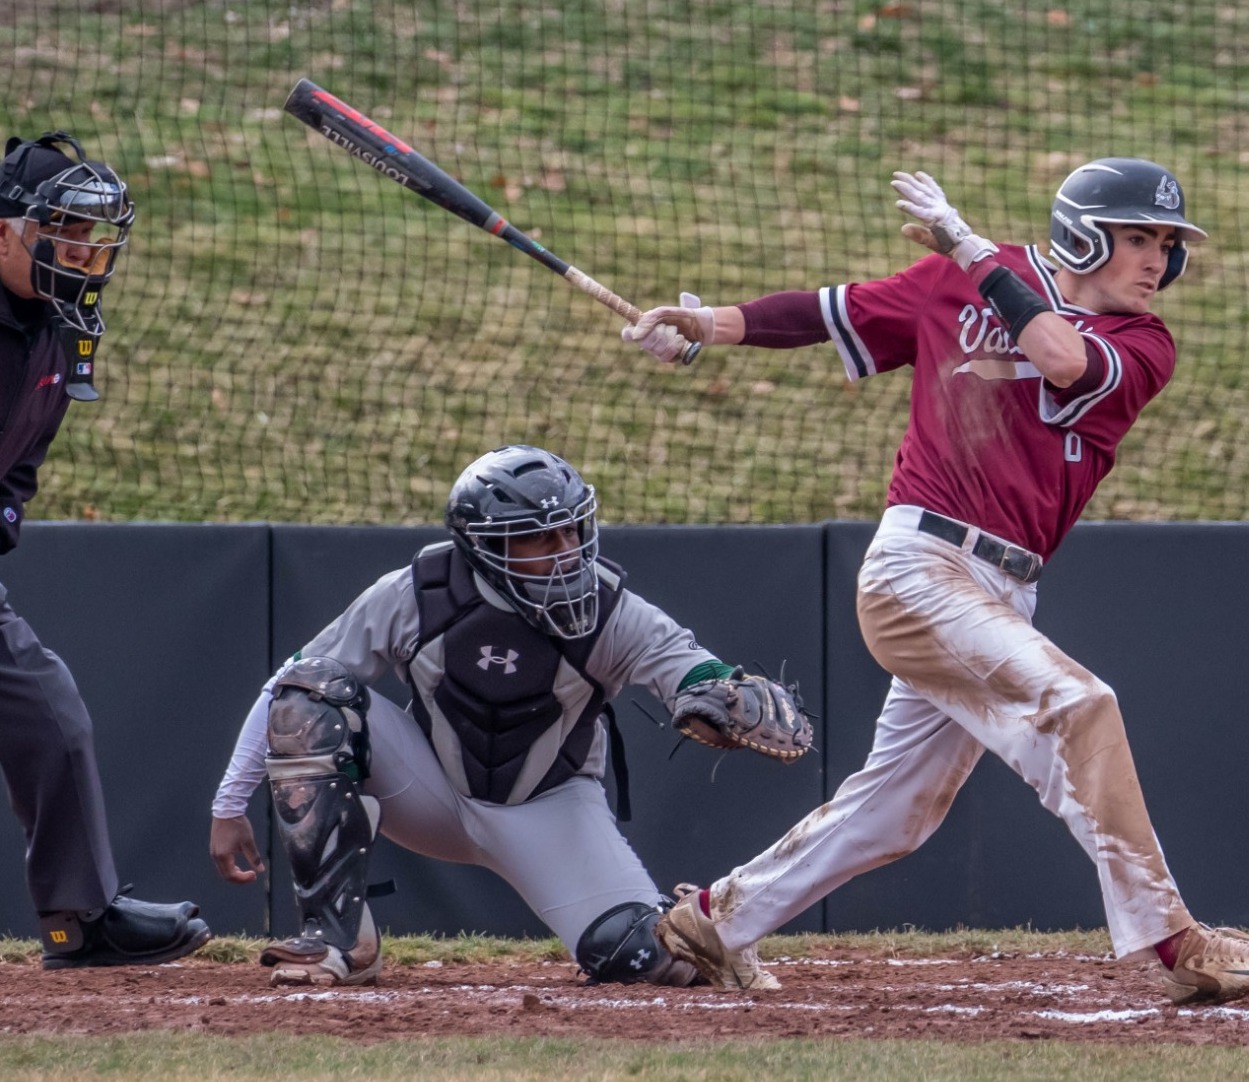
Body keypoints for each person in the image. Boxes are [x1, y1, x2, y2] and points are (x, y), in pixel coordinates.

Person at [619, 158, 1249, 1005]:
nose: (1156, 260)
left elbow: (1059, 358)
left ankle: (711, 922)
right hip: (919, 568)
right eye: (1138, 238)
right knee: (1080, 704)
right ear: (1084, 235)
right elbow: (825, 312)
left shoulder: (1145, 344)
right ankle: (1181, 945)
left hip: (1003, 588)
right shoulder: (961, 278)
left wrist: (969, 246)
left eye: (1166, 244)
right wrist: (703, 325)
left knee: (897, 808)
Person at [208, 444, 806, 987]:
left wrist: (723, 694)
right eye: (540, 538)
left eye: (573, 531)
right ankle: (338, 940)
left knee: (633, 956)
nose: (566, 551)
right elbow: (289, 682)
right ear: (483, 545)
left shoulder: (611, 606)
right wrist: (230, 803)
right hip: (428, 792)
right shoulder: (416, 592)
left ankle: (705, 937)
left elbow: (690, 666)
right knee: (314, 693)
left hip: (551, 805)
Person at [0, 130, 212, 969]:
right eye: (67, 231)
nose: (87, 252)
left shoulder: (62, 325)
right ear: (5, 232)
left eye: (95, 235)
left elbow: (23, 457)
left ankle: (79, 921)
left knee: (49, 717)